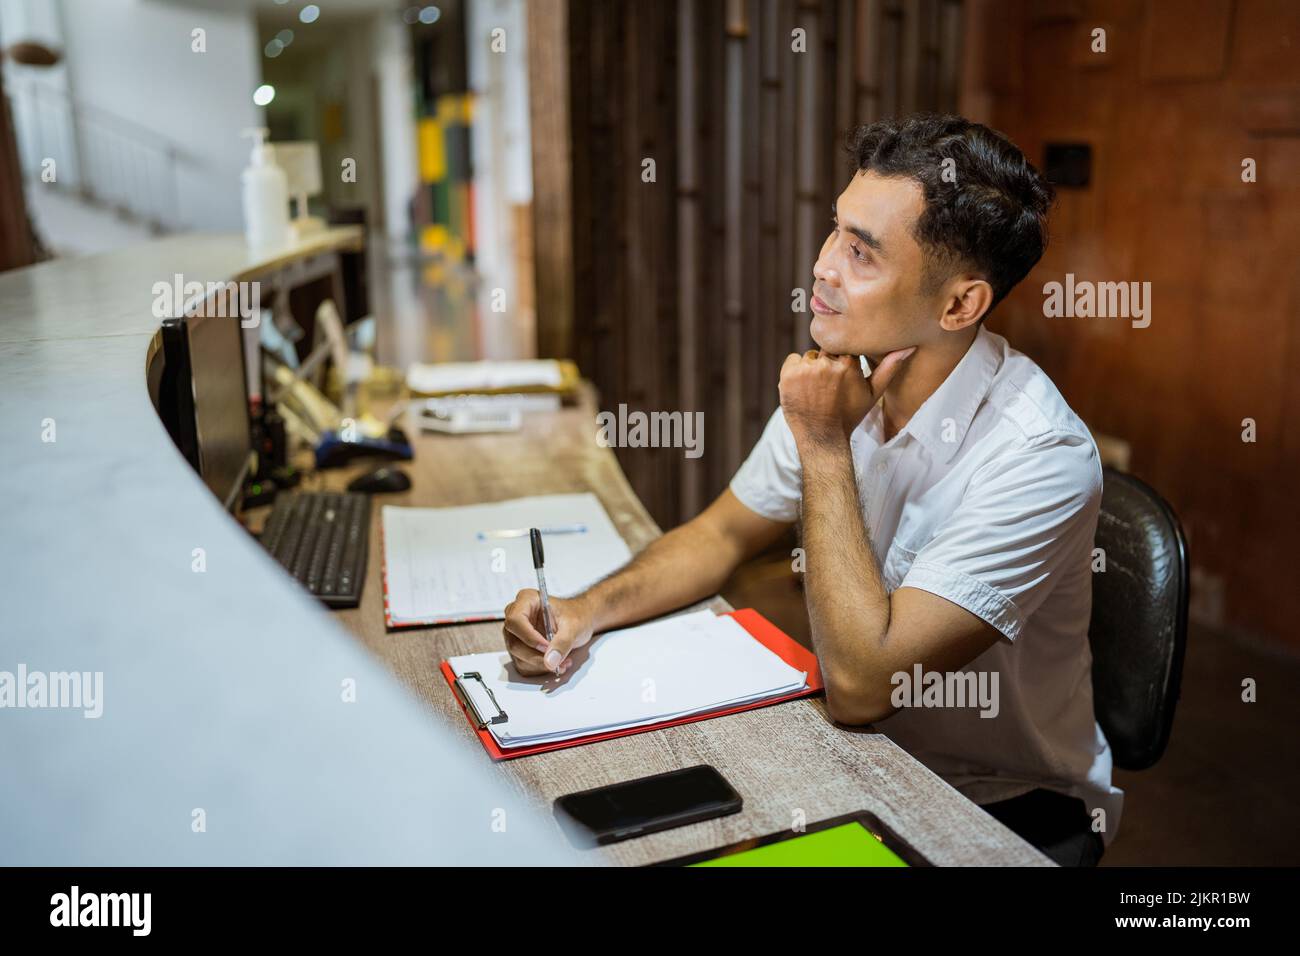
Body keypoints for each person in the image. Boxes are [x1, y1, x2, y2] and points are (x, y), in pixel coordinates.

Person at [502, 113, 1118, 866]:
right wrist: (582, 611)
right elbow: (721, 535)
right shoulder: (851, 370)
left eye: (862, 252)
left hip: (999, 806)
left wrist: (825, 445)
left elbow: (862, 685)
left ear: (960, 306)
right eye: (836, 230)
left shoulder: (1039, 455)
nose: (824, 267)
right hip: (857, 758)